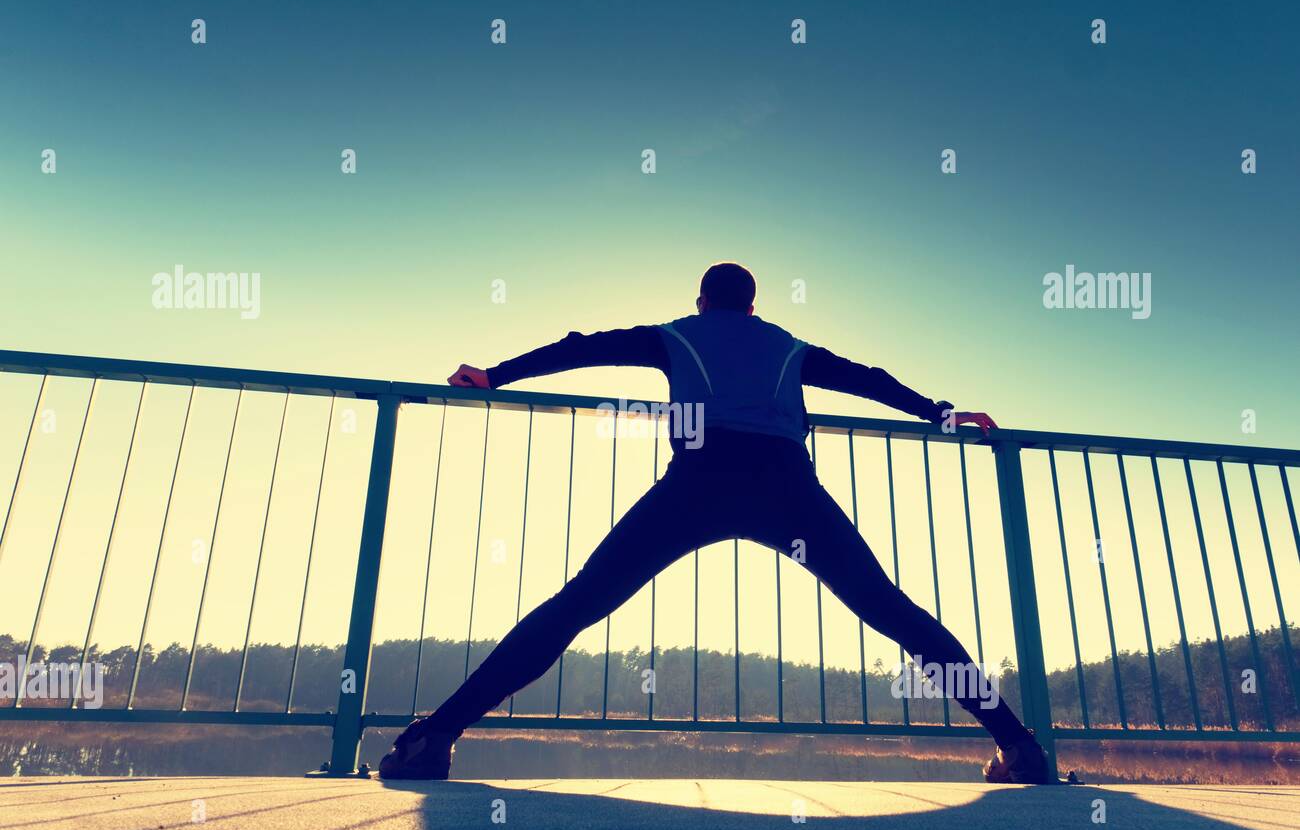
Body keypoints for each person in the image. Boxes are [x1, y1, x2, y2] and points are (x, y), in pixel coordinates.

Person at [380, 263, 1052, 784]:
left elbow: (582, 348)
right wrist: (943, 415)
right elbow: (868, 379)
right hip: (787, 488)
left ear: (703, 301)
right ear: (754, 306)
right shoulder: (789, 347)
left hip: (698, 483)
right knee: (891, 610)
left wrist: (496, 374)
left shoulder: (675, 335)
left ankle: (435, 737)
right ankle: (1018, 746)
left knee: (577, 605)